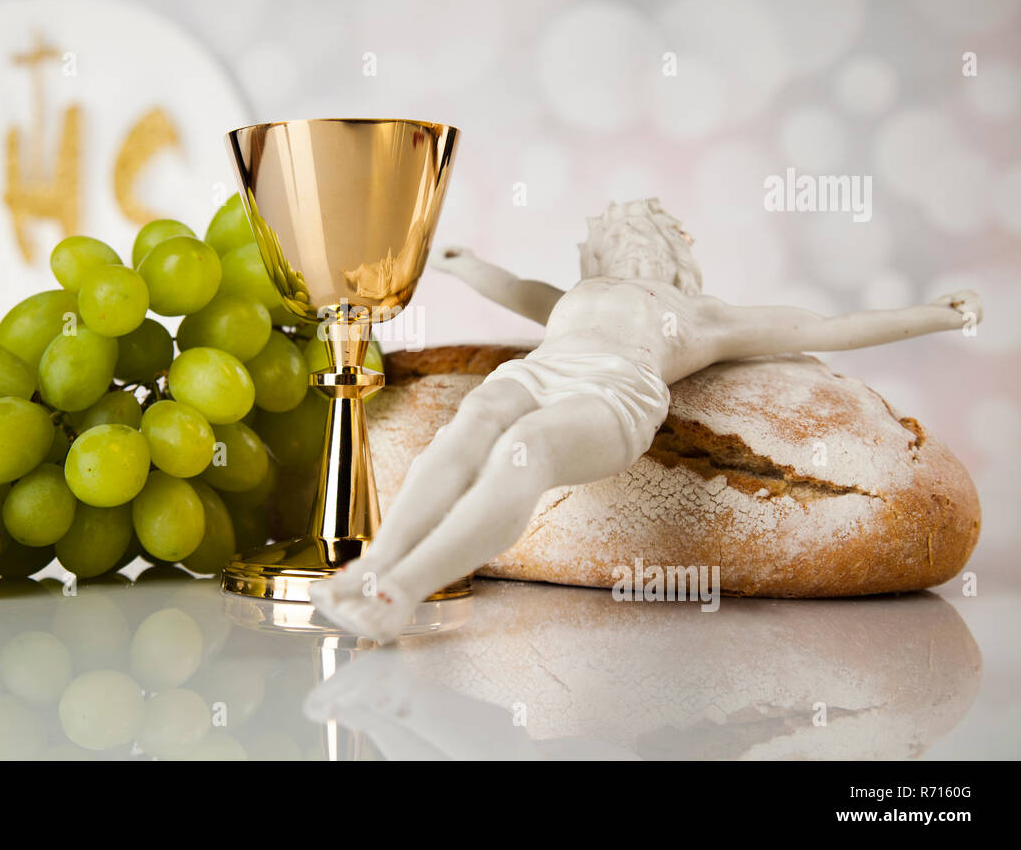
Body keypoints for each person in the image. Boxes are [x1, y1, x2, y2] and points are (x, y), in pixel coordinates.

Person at [308, 198, 983, 642]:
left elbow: (826, 327)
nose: (623, 249)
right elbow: (521, 293)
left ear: (674, 255)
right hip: (532, 373)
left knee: (528, 450)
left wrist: (936, 314)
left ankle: (403, 592)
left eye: (640, 237)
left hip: (612, 399)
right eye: (609, 240)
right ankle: (373, 567)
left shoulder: (704, 316)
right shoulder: (577, 296)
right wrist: (468, 267)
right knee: (466, 425)